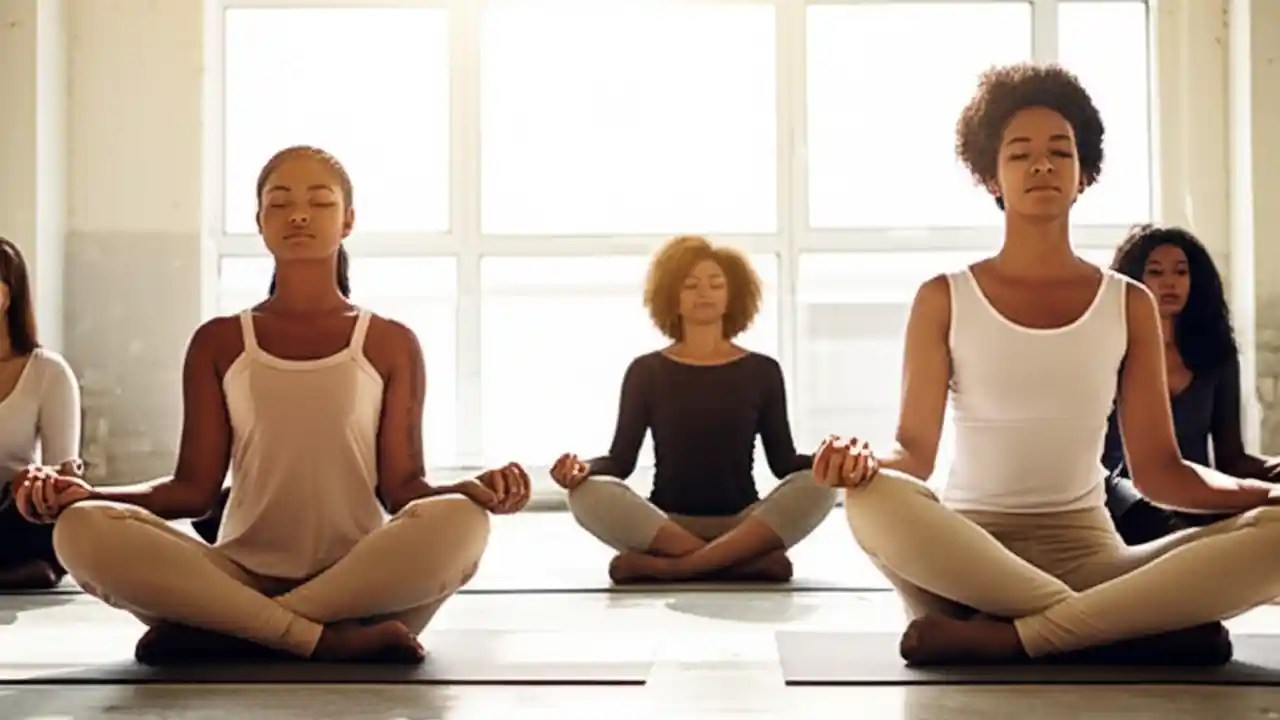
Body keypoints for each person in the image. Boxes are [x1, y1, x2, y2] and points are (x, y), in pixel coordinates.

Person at [815, 63, 1280, 666]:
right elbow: (914, 455)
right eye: (1021, 153)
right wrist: (859, 462)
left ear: (1083, 174)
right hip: (965, 557)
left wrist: (1262, 494)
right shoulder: (943, 296)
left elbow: (1162, 472)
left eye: (1061, 152)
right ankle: (1124, 627)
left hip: (1091, 556)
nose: (1042, 165)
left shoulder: (1128, 302)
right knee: (871, 500)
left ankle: (1015, 635)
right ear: (993, 175)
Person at [9, 146, 531, 664]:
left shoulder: (389, 341)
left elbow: (403, 490)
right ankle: (316, 639)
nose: (299, 214)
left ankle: (236, 630)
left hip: (361, 588)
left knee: (463, 521)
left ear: (348, 220)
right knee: (81, 528)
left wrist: (465, 489)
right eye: (279, 203)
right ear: (259, 221)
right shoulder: (220, 341)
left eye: (321, 202)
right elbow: (191, 491)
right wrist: (87, 494)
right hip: (239, 576)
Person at [551, 235, 836, 584]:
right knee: (585, 493)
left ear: (732, 296)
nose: (705, 293)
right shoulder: (646, 371)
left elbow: (783, 462)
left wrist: (831, 463)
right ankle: (734, 562)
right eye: (691, 285)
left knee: (821, 484)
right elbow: (620, 461)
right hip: (666, 525)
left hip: (744, 523)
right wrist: (583, 468)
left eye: (716, 284)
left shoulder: (763, 371)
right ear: (673, 297)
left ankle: (677, 567)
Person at [1102, 225, 1280, 543]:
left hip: (1199, 500)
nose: (1170, 282)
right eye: (1155, 272)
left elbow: (1232, 459)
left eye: (1181, 272)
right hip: (1124, 505)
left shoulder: (1216, 356)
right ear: (1133, 281)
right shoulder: (1109, 353)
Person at [0, 237, 82, 590]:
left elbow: (65, 474)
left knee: (68, 515)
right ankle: (20, 570)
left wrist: (36, 483)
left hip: (15, 512)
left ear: (5, 297)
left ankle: (32, 564)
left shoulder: (47, 371)